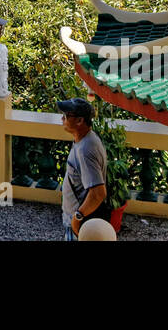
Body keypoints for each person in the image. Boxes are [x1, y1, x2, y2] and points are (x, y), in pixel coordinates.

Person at [57, 97, 112, 241]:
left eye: (66, 115)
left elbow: (98, 193)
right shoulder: (84, 139)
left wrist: (77, 217)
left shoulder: (86, 149)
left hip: (83, 223)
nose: (62, 118)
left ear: (80, 121)